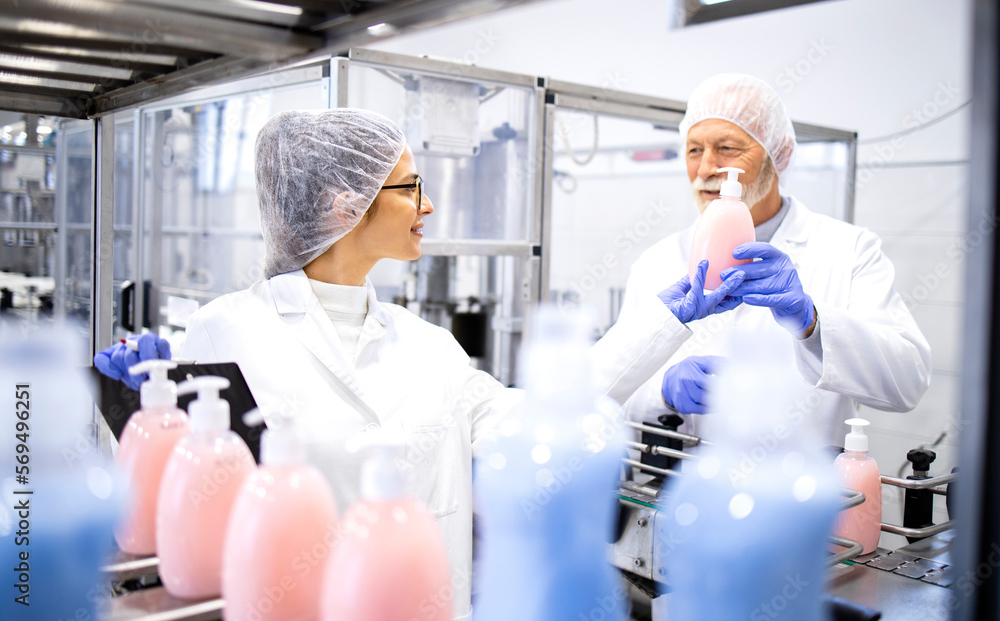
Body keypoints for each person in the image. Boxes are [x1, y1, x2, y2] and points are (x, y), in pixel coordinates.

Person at [95, 108, 514, 621]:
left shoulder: (433, 346)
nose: (428, 205)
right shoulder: (224, 330)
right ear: (346, 205)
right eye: (409, 187)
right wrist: (131, 410)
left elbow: (527, 426)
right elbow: (178, 507)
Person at [590, 73, 932, 448]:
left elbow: (908, 382)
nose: (706, 169)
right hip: (681, 491)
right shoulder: (657, 263)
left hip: (798, 493)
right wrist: (664, 391)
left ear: (778, 155)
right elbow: (603, 399)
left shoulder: (849, 250)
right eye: (694, 150)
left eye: (727, 148)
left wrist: (814, 324)